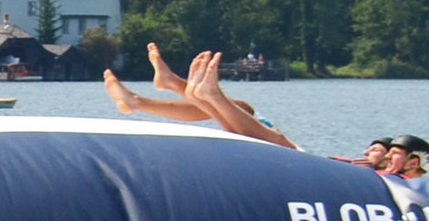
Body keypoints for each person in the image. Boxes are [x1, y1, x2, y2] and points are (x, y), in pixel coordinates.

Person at [105, 44, 297, 148]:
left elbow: (284, 146)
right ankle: (160, 90)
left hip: (305, 166)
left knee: (278, 143)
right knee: (242, 110)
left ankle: (189, 90)